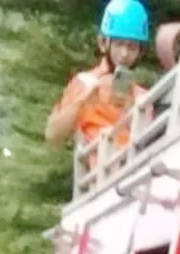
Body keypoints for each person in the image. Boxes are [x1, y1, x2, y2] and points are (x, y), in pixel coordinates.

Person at [45, 0, 151, 152]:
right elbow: (53, 136)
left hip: (130, 166)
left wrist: (130, 107)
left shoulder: (141, 96)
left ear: (140, 52)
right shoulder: (84, 83)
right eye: (119, 44)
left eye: (132, 47)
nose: (124, 54)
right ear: (103, 43)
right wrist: (83, 100)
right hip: (97, 168)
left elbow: (148, 143)